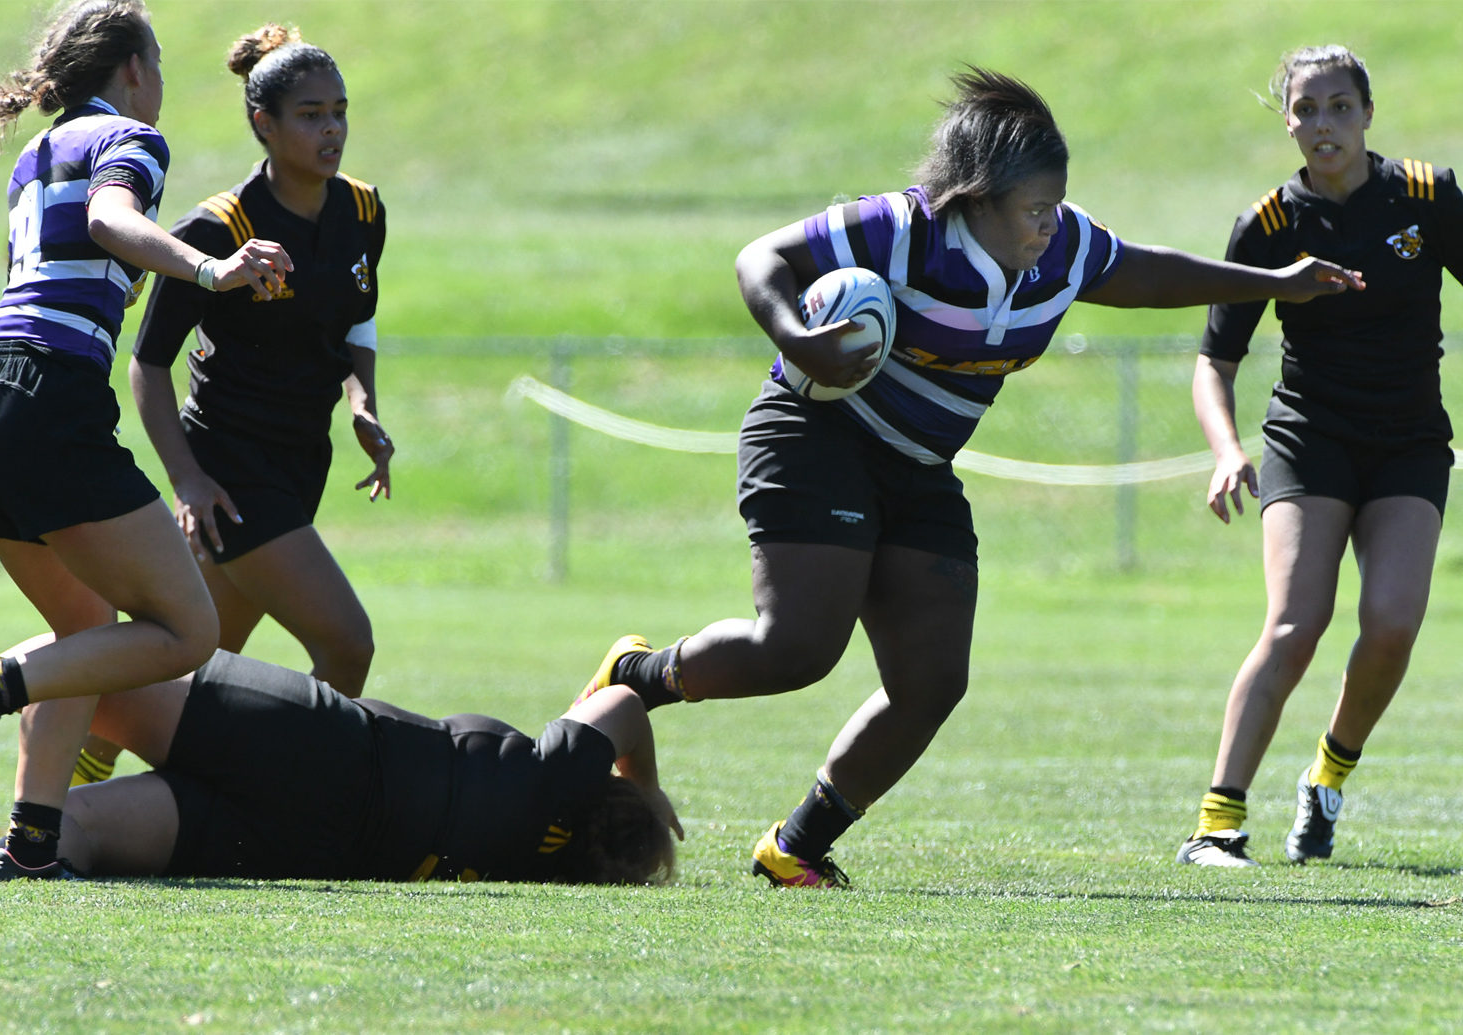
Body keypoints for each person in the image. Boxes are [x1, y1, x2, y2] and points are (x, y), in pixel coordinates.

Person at [577, 68, 1364, 888]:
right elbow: (760, 257)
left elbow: (1148, 272)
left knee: (931, 681)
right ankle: (634, 675)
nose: (1049, 224)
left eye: (1057, 204)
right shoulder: (902, 229)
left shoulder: (1061, 247)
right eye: (1033, 208)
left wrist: (1273, 284)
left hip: (920, 467)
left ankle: (795, 847)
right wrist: (798, 339)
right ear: (976, 199)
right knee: (799, 648)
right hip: (819, 436)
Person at [0, 0, 292, 882]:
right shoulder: (130, 137)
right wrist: (211, 268)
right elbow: (108, 220)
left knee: (83, 626)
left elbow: (67, 262)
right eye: (155, 62)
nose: (159, 83)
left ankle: (33, 845)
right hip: (47, 399)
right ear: (130, 69)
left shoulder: (33, 153)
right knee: (187, 627)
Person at [72, 24, 391, 788]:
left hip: (298, 462)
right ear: (265, 124)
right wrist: (185, 478)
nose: (332, 129)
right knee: (348, 643)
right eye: (311, 114)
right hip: (230, 469)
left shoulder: (365, 211)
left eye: (340, 111)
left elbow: (354, 321)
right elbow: (147, 366)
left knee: (202, 663)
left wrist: (362, 403)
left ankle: (86, 767)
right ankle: (293, 796)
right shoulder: (220, 228)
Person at [1176, 47, 1460, 868]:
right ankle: (1216, 824)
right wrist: (1227, 448)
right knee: (1296, 623)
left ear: (1368, 113)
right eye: (1306, 110)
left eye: (1340, 107)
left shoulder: (1427, 196)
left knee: (1394, 622)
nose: (1322, 124)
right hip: (1312, 439)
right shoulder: (1269, 225)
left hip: (1409, 441)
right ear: (1288, 120)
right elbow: (1214, 361)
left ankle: (1327, 777)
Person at [0, 636, 682, 884]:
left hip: (320, 745)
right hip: (296, 847)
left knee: (96, 666)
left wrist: (645, 784)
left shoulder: (555, 778)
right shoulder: (532, 875)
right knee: (76, 828)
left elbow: (624, 699)